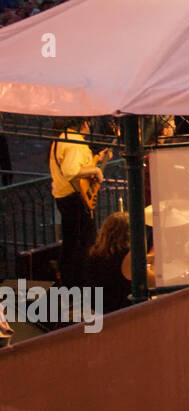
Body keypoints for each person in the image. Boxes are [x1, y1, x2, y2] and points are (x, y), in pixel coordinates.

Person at [50, 118, 110, 287]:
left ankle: (71, 281)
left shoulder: (63, 137)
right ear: (84, 124)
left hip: (65, 196)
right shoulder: (74, 142)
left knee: (72, 240)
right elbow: (71, 171)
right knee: (84, 242)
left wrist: (97, 158)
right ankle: (81, 282)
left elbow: (76, 165)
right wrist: (96, 170)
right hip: (75, 198)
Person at [83, 211, 132, 313]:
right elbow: (150, 280)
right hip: (120, 312)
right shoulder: (126, 255)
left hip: (97, 309)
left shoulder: (94, 253)